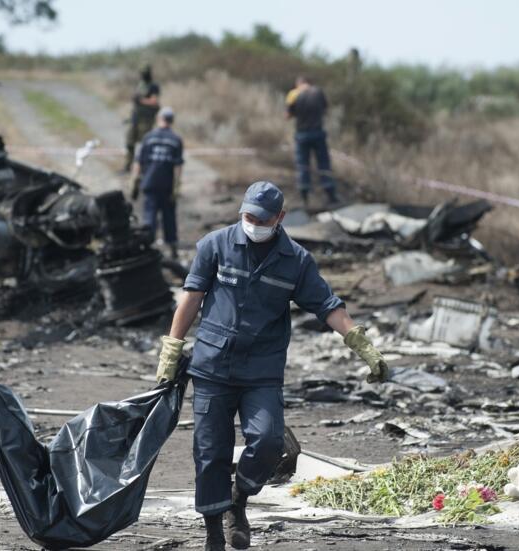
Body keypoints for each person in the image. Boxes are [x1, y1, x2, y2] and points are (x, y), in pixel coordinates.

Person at [154, 181, 388, 551]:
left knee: (267, 442)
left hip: (261, 369)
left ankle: (239, 500)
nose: (253, 222)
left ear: (279, 218)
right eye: (248, 216)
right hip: (212, 365)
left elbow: (328, 305)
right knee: (210, 450)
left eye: (262, 218)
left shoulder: (295, 261)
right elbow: (192, 298)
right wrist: (172, 348)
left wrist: (362, 345)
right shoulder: (214, 245)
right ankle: (213, 531)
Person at [131, 106, 184, 259]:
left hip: (149, 183)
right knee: (169, 217)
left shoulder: (148, 137)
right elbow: (178, 166)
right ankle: (173, 249)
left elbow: (138, 162)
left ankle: (148, 249)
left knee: (149, 217)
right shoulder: (176, 139)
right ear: (172, 121)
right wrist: (176, 187)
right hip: (167, 186)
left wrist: (134, 182)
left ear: (158, 119)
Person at [286, 76, 339, 207]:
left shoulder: (294, 94)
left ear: (298, 84)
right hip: (318, 132)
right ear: (309, 83)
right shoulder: (318, 92)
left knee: (303, 165)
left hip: (302, 134)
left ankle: (304, 198)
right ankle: (331, 195)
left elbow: (288, 115)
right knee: (324, 163)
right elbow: (326, 109)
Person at [123, 64, 161, 172]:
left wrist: (141, 100)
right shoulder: (140, 85)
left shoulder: (153, 86)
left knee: (145, 143)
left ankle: (145, 167)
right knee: (129, 141)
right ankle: (128, 165)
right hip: (135, 118)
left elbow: (154, 102)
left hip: (146, 119)